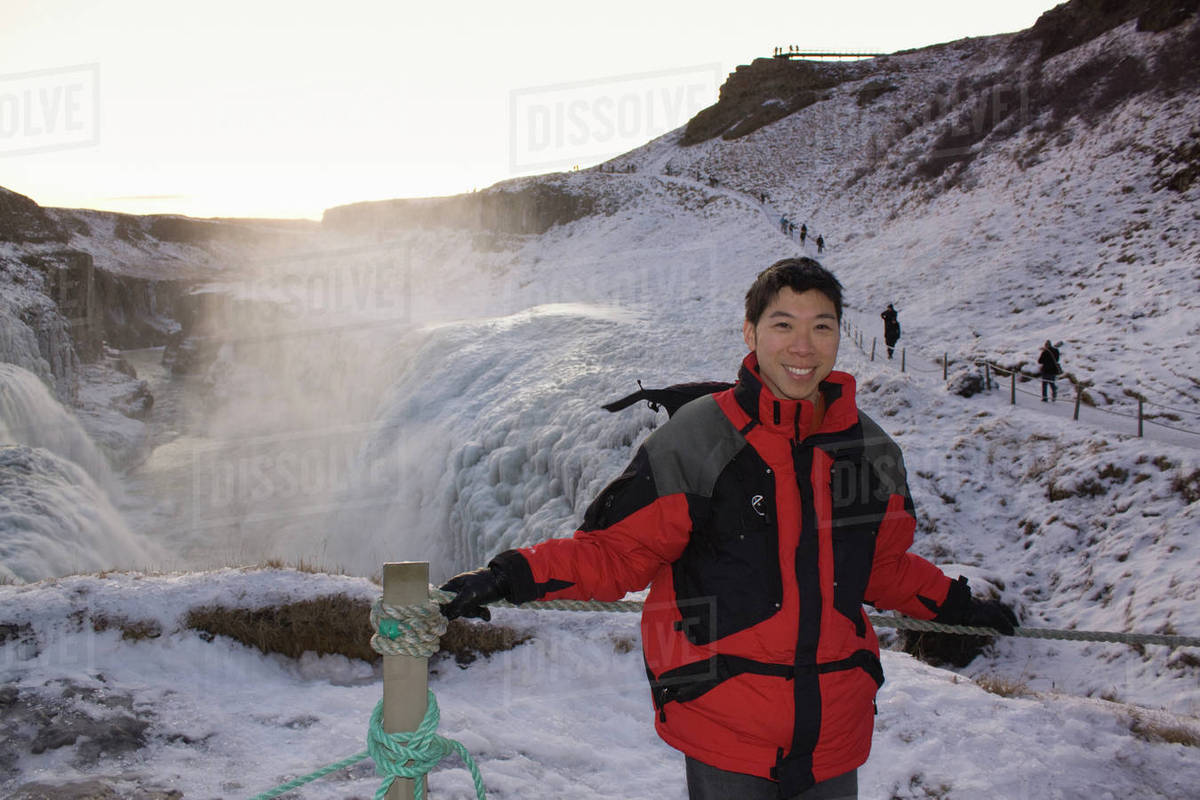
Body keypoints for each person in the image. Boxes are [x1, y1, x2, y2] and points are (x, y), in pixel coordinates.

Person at [440, 258, 1017, 800]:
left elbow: (883, 568)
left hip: (836, 730)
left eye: (821, 326)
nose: (802, 345)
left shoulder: (869, 451)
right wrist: (510, 575)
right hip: (724, 723)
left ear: (840, 335)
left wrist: (957, 606)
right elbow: (616, 554)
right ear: (751, 333)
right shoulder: (698, 440)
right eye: (783, 324)